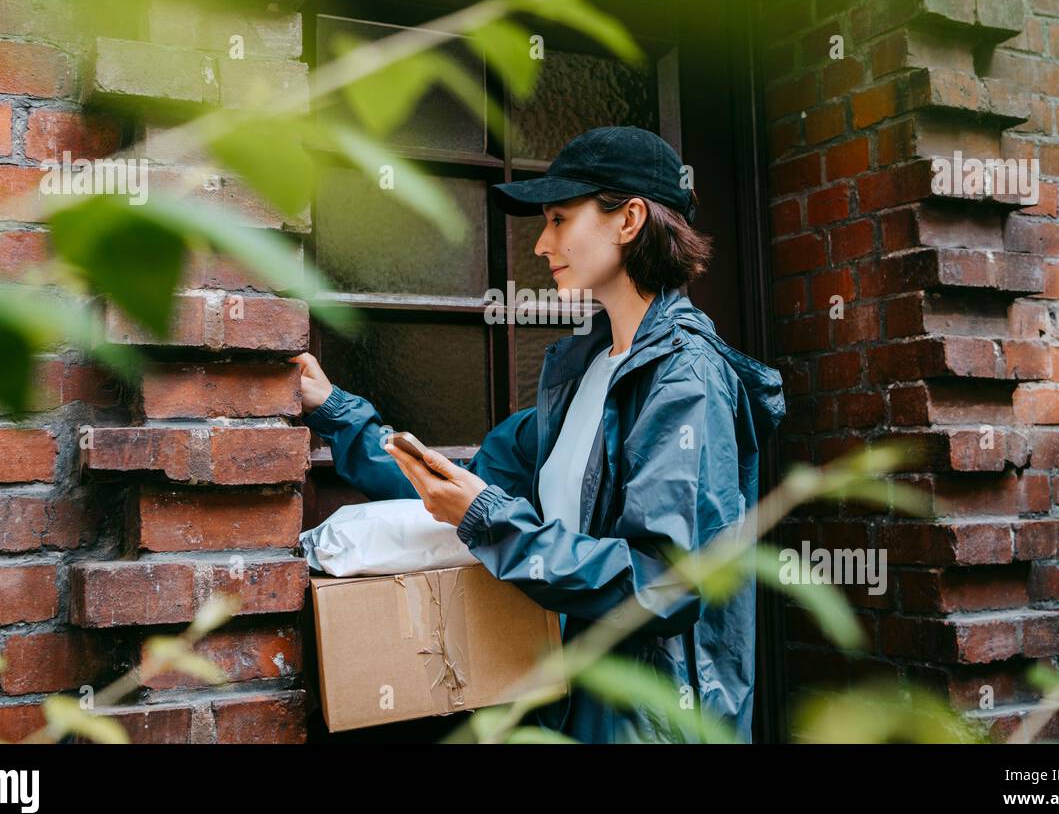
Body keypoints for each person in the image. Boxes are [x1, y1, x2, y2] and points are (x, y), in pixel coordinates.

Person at [292, 125, 785, 743]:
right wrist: (335, 408)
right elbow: (462, 488)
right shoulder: (586, 372)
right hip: (567, 704)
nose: (541, 243)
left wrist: (491, 520)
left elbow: (664, 583)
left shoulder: (688, 379)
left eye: (559, 219)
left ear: (629, 219)